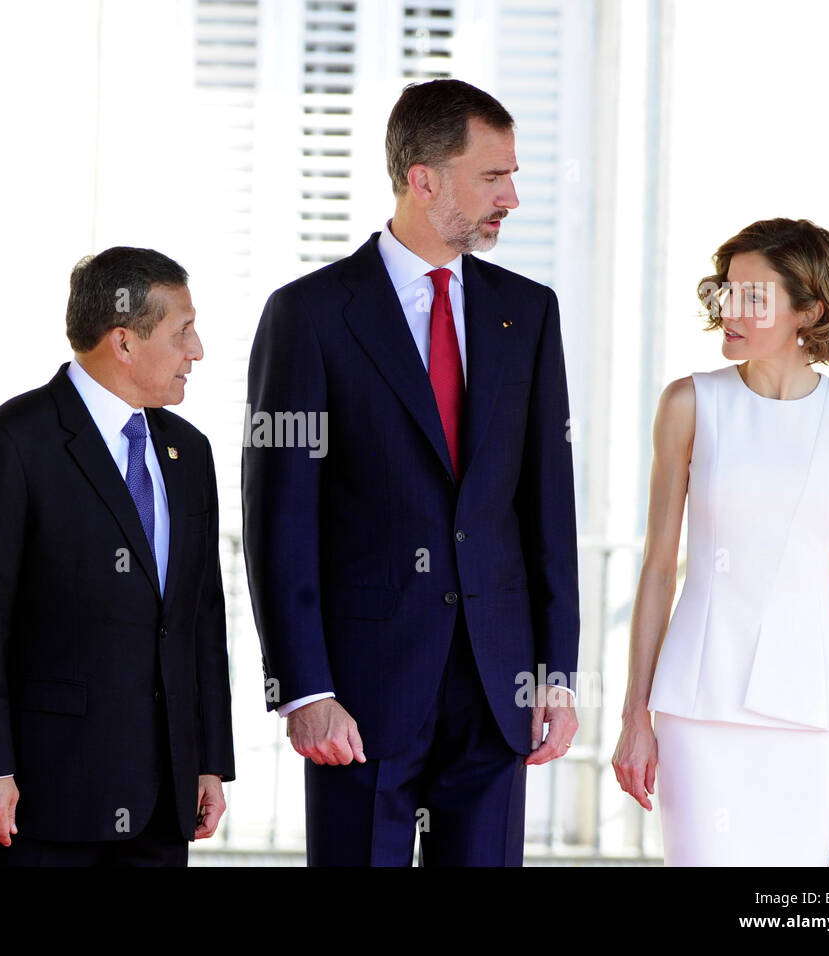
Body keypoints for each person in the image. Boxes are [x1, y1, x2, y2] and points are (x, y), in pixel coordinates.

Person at [243, 79, 580, 866]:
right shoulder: (310, 315)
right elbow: (280, 518)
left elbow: (548, 507)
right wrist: (305, 689)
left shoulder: (528, 313)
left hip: (499, 688)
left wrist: (556, 674)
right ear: (423, 178)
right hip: (360, 693)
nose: (514, 198)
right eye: (494, 177)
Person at [0, 246, 235, 866]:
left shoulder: (190, 451)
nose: (197, 350)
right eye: (183, 331)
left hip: (162, 803)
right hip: (39, 801)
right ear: (123, 342)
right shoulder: (8, 444)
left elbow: (201, 613)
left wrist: (209, 759)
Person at [611, 218, 829, 865]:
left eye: (753, 296)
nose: (728, 310)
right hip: (697, 703)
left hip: (809, 709)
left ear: (810, 310)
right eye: (726, 290)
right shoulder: (689, 403)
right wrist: (634, 720)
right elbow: (658, 570)